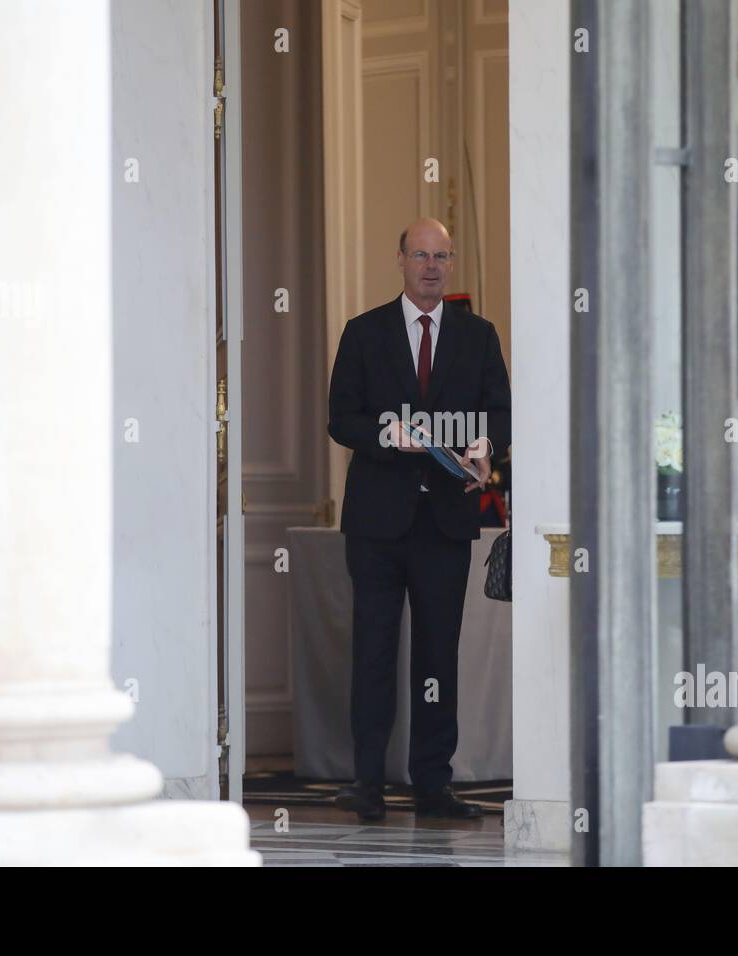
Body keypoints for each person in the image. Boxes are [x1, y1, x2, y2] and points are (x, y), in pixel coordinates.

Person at [327, 217, 511, 821]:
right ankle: (369, 787)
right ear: (400, 260)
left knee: (438, 656)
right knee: (374, 654)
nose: (432, 266)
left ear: (451, 264)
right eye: (421, 255)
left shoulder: (478, 335)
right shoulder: (364, 332)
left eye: (442, 256)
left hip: (446, 523)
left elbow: (499, 413)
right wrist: (389, 435)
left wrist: (485, 445)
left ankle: (433, 785)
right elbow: (341, 418)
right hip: (378, 525)